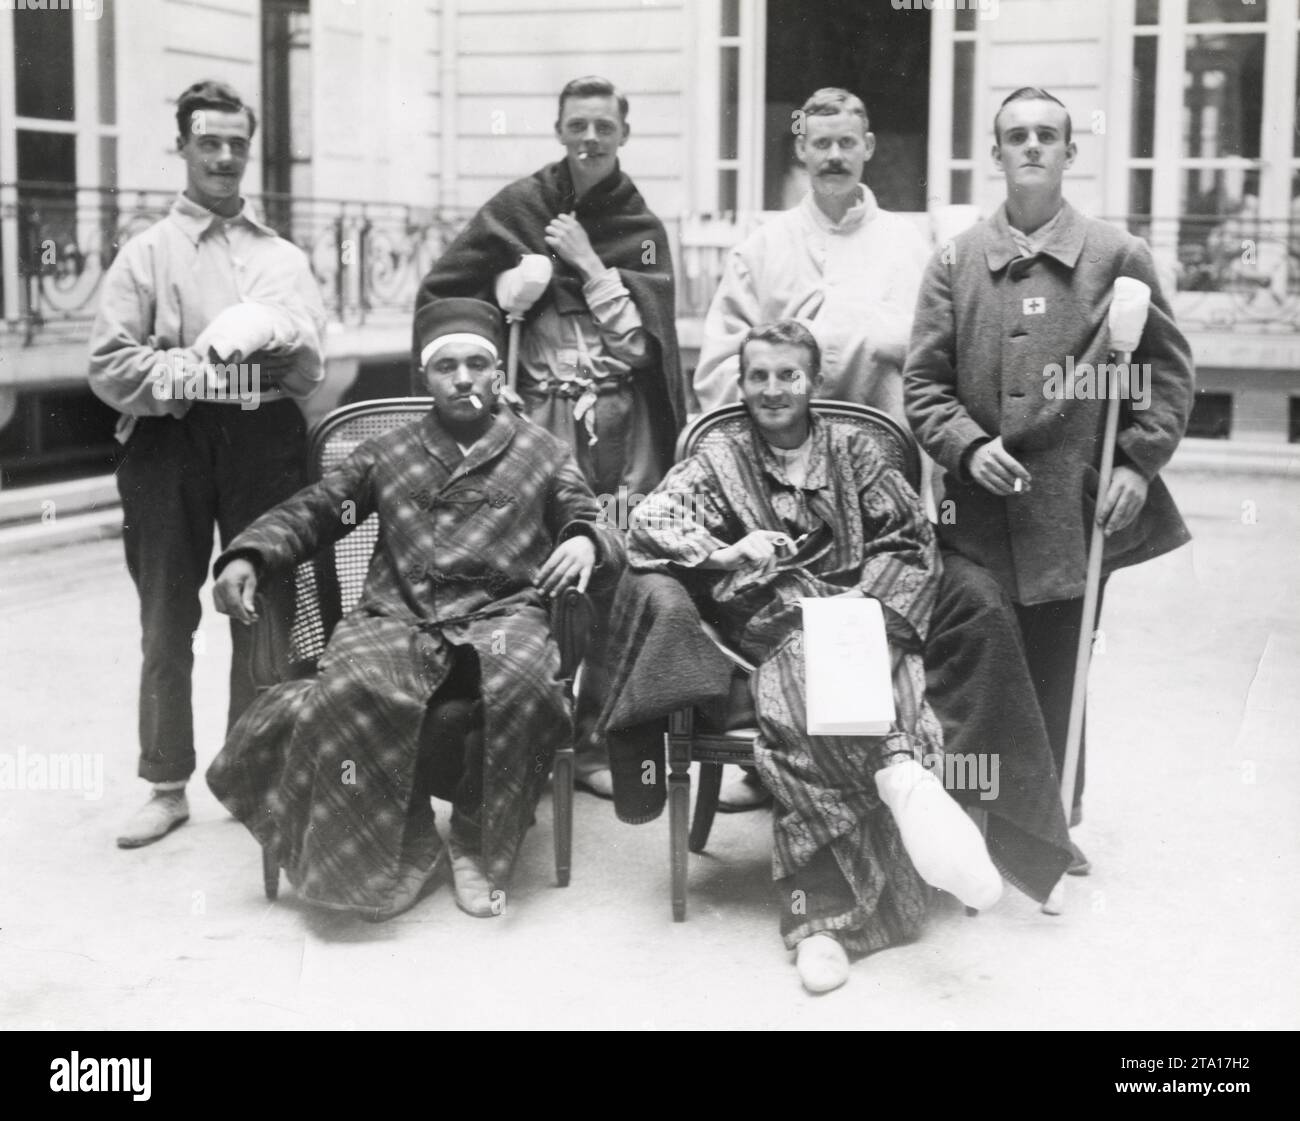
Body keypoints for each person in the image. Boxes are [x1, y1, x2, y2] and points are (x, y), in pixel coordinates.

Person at [206, 299, 624, 922]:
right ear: (424, 379)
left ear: (497, 376)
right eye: (446, 366)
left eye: (477, 364)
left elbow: (588, 513)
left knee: (530, 688)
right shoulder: (389, 452)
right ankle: (407, 842)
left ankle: (477, 843)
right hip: (397, 618)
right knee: (353, 688)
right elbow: (318, 510)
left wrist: (585, 538)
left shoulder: (541, 451)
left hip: (502, 618)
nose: (463, 378)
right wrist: (248, 554)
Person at [626, 321, 1002, 993]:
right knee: (809, 703)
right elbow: (650, 521)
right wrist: (726, 551)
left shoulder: (854, 451)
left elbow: (911, 538)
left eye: (787, 375)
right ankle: (826, 913)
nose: (772, 390)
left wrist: (876, 621)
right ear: (741, 383)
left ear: (813, 382)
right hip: (773, 621)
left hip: (864, 615)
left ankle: (891, 789)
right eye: (758, 376)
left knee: (874, 678)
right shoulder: (720, 455)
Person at [904, 88, 1195, 872]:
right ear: (995, 154)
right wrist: (965, 447)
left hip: (1075, 508)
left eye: (1047, 136)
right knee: (984, 655)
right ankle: (981, 813)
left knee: (1062, 660)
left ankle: (1052, 826)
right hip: (978, 513)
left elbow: (1166, 375)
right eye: (1015, 136)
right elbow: (923, 385)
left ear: (1070, 153)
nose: (1031, 147)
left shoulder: (1117, 254)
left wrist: (1137, 461)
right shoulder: (956, 260)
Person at [413, 75, 682, 799]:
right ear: (558, 128)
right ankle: (527, 729)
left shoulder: (642, 228)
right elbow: (446, 296)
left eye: (603, 125)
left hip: (621, 433)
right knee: (527, 569)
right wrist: (495, 313)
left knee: (615, 570)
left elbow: (646, 351)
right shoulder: (517, 208)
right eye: (577, 125)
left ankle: (596, 738)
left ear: (624, 132)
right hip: (532, 422)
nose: (590, 138)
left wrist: (591, 263)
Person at [88, 80, 326, 849]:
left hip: (264, 436)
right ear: (183, 147)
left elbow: (310, 365)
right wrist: (174, 374)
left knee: (263, 606)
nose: (224, 158)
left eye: (236, 144)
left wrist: (269, 341)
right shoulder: (146, 253)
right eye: (208, 142)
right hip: (169, 442)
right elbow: (107, 366)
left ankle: (249, 769)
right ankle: (164, 782)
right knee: (167, 614)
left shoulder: (281, 256)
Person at [692, 87, 931, 422]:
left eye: (847, 142)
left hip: (887, 445)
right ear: (801, 149)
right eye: (821, 144)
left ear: (869, 147)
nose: (834, 156)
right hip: (782, 450)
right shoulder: (760, 249)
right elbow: (719, 369)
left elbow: (934, 361)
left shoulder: (908, 244)